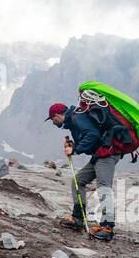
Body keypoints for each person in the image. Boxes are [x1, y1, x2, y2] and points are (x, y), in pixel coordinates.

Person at [46, 102, 119, 241]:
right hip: (99, 154)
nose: (53, 122)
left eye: (52, 119)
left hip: (107, 153)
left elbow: (93, 135)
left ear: (57, 115)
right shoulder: (75, 119)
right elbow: (88, 135)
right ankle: (78, 218)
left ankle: (107, 227)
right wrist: (75, 146)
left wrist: (75, 150)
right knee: (78, 180)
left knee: (104, 186)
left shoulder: (77, 118)